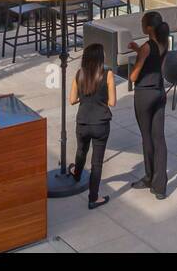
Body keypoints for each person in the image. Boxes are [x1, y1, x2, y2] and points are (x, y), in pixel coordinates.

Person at [127, 10, 169, 198]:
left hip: (144, 94)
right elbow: (153, 58)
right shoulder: (163, 42)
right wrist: (138, 50)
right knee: (159, 139)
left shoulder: (146, 47)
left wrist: (136, 62)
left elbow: (134, 75)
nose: (141, 26)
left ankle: (149, 177)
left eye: (143, 23)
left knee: (147, 137)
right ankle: (160, 188)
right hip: (160, 92)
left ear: (149, 28)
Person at [68, 42, 116, 209]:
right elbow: (112, 102)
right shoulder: (108, 74)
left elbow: (72, 100)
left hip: (83, 122)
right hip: (101, 124)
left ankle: (76, 174)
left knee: (81, 150)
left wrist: (85, 97)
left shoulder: (78, 75)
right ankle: (93, 198)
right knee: (97, 163)